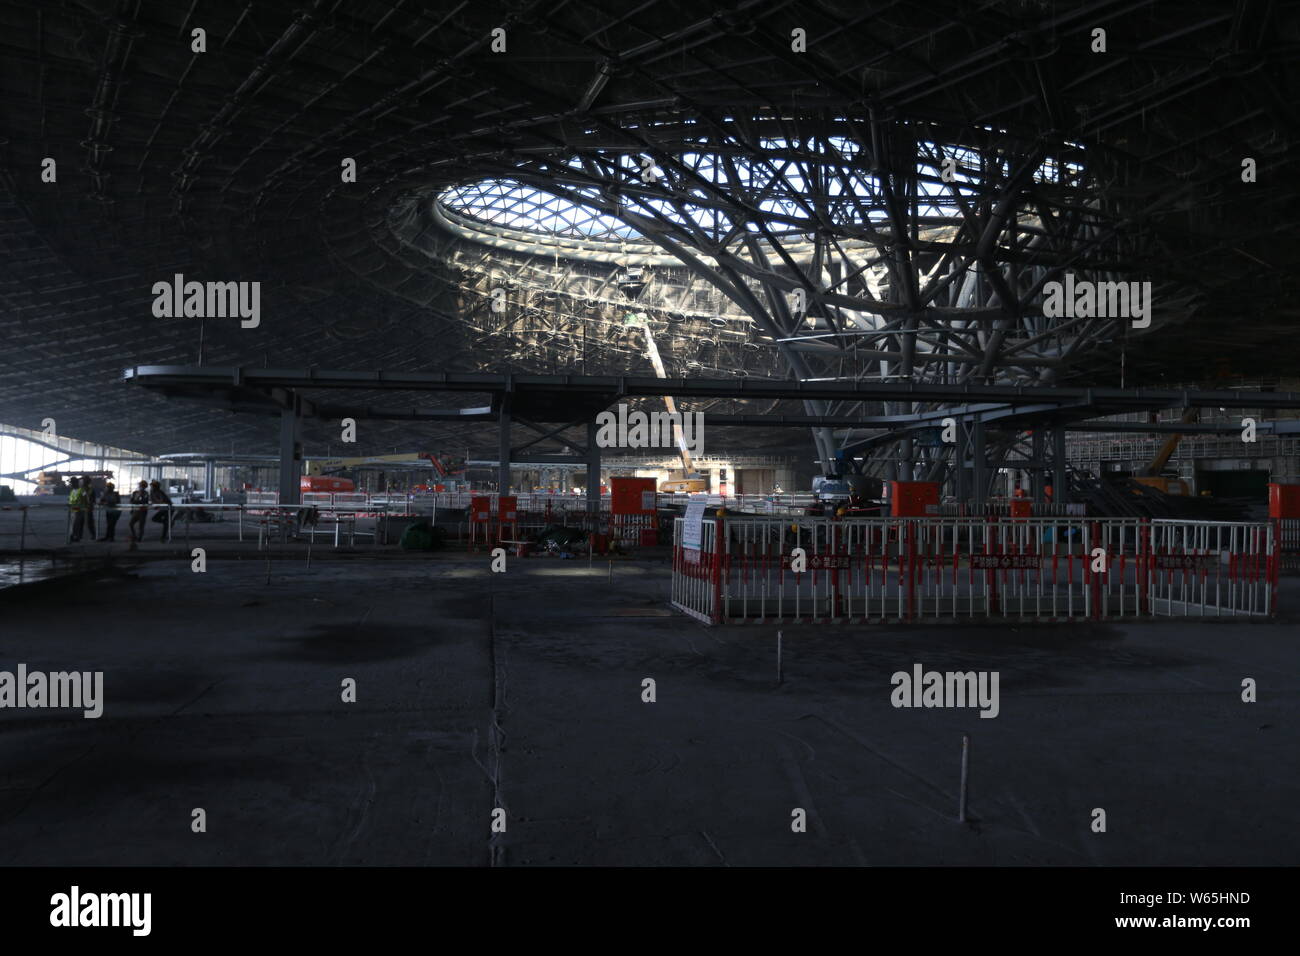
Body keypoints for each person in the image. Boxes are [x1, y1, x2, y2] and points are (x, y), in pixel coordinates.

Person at [128, 480, 149, 550]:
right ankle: (134, 536)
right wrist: (132, 508)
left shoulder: (146, 493)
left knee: (141, 525)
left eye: (143, 486)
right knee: (131, 524)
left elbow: (144, 501)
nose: (141, 487)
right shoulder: (135, 493)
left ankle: (139, 538)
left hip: (143, 511)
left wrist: (136, 501)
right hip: (136, 511)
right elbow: (131, 501)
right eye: (141, 485)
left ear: (145, 487)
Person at [67, 477, 86, 542]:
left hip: (79, 510)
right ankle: (74, 536)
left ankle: (75, 536)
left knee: (76, 524)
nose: (71, 484)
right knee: (73, 524)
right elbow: (71, 500)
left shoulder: (82, 490)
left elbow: (85, 499)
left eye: (72, 483)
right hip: (73, 510)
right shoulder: (72, 491)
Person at [82, 475, 98, 540]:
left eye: (84, 480)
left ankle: (93, 534)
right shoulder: (84, 489)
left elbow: (91, 499)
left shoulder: (88, 489)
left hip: (88, 508)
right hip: (84, 507)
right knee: (84, 522)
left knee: (89, 522)